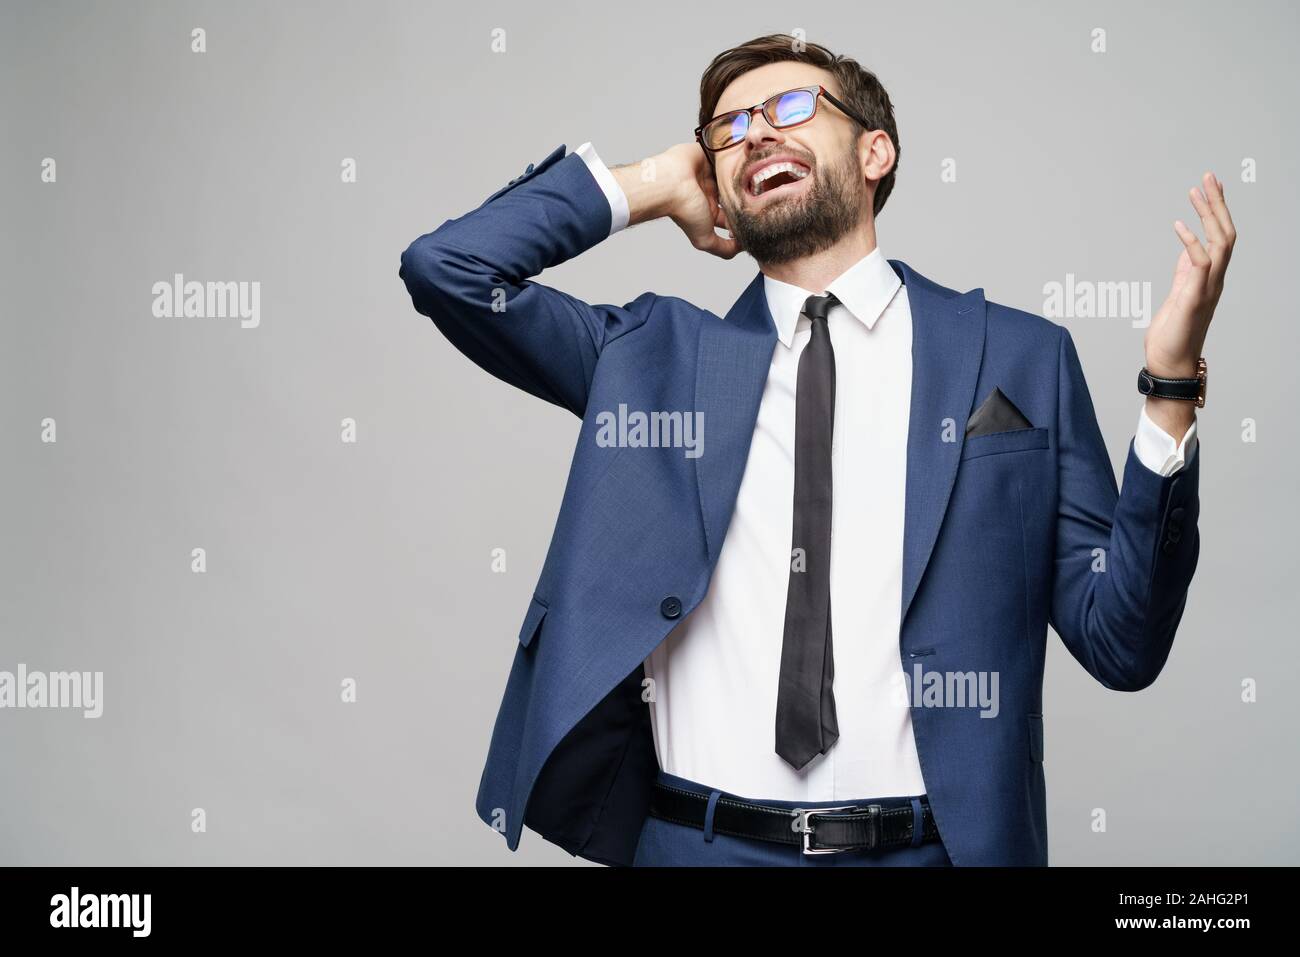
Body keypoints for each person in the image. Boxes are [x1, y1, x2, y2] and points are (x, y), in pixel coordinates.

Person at [398, 34, 1234, 866]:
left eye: (790, 109)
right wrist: (654, 183)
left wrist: (1168, 390)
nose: (755, 133)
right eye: (725, 132)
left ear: (876, 152)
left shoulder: (1018, 357)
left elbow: (1122, 641)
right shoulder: (649, 358)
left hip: (931, 852)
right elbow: (448, 269)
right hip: (698, 846)